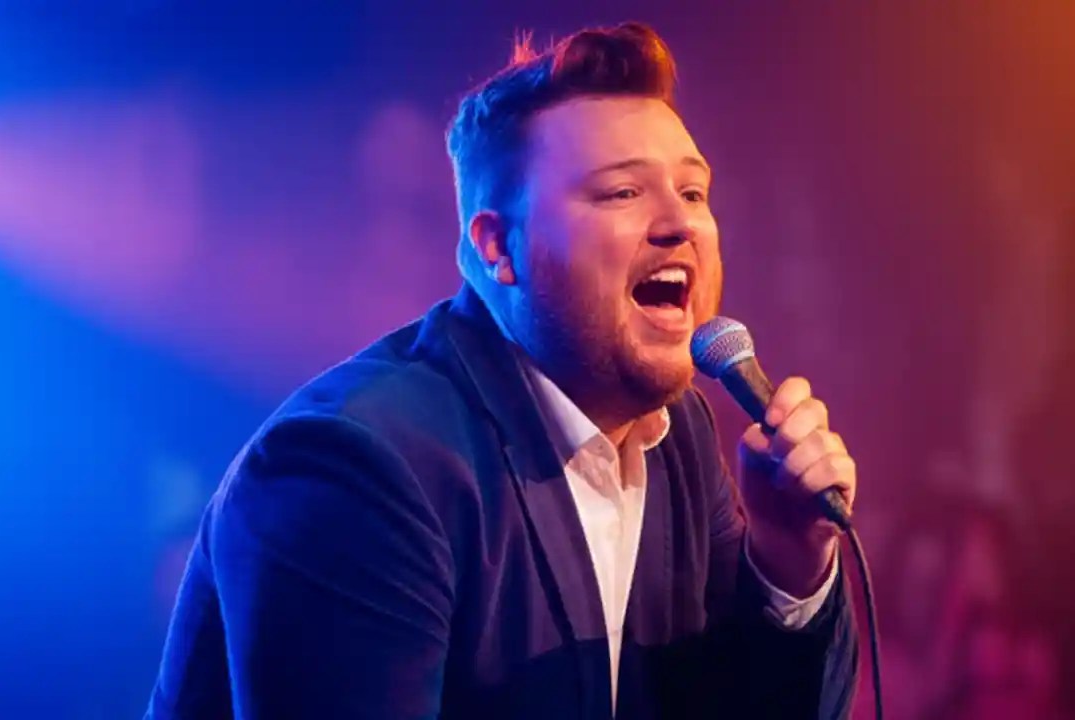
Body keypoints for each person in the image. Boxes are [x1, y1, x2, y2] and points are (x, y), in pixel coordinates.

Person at [146, 22, 858, 719]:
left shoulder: (678, 435)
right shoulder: (356, 464)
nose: (681, 224)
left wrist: (788, 562)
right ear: (498, 247)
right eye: (622, 192)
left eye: (695, 193)